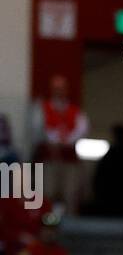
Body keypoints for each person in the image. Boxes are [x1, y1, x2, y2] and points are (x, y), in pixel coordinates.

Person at [29, 73, 90, 212]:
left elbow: (82, 130)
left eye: (61, 88)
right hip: (49, 156)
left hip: (69, 158)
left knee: (70, 193)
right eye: (56, 88)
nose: (59, 91)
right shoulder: (42, 108)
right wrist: (54, 139)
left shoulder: (75, 111)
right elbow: (38, 129)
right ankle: (46, 226)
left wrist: (66, 140)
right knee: (47, 191)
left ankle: (70, 227)